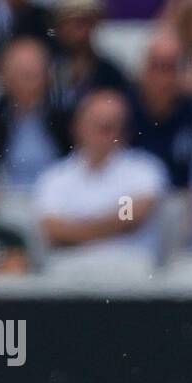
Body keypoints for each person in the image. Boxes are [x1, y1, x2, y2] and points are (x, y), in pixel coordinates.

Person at [35, 89, 168, 261]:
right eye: (96, 124)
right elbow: (52, 229)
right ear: (78, 126)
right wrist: (108, 227)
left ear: (123, 130)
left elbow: (129, 217)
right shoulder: (54, 177)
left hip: (128, 269)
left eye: (110, 126)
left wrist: (76, 231)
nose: (102, 133)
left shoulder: (143, 170)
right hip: (72, 271)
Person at [0, 37, 69, 188]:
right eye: (21, 75)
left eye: (33, 75)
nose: (29, 84)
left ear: (48, 77)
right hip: (6, 197)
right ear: (5, 77)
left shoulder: (64, 115)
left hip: (58, 198)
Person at [129, 30, 192, 188]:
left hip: (185, 200)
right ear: (143, 70)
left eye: (169, 68)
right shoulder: (124, 113)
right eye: (155, 67)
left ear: (182, 72)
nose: (162, 78)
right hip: (130, 202)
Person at [48, 0, 131, 117]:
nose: (78, 30)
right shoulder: (43, 71)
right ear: (59, 25)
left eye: (85, 21)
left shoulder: (111, 75)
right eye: (70, 21)